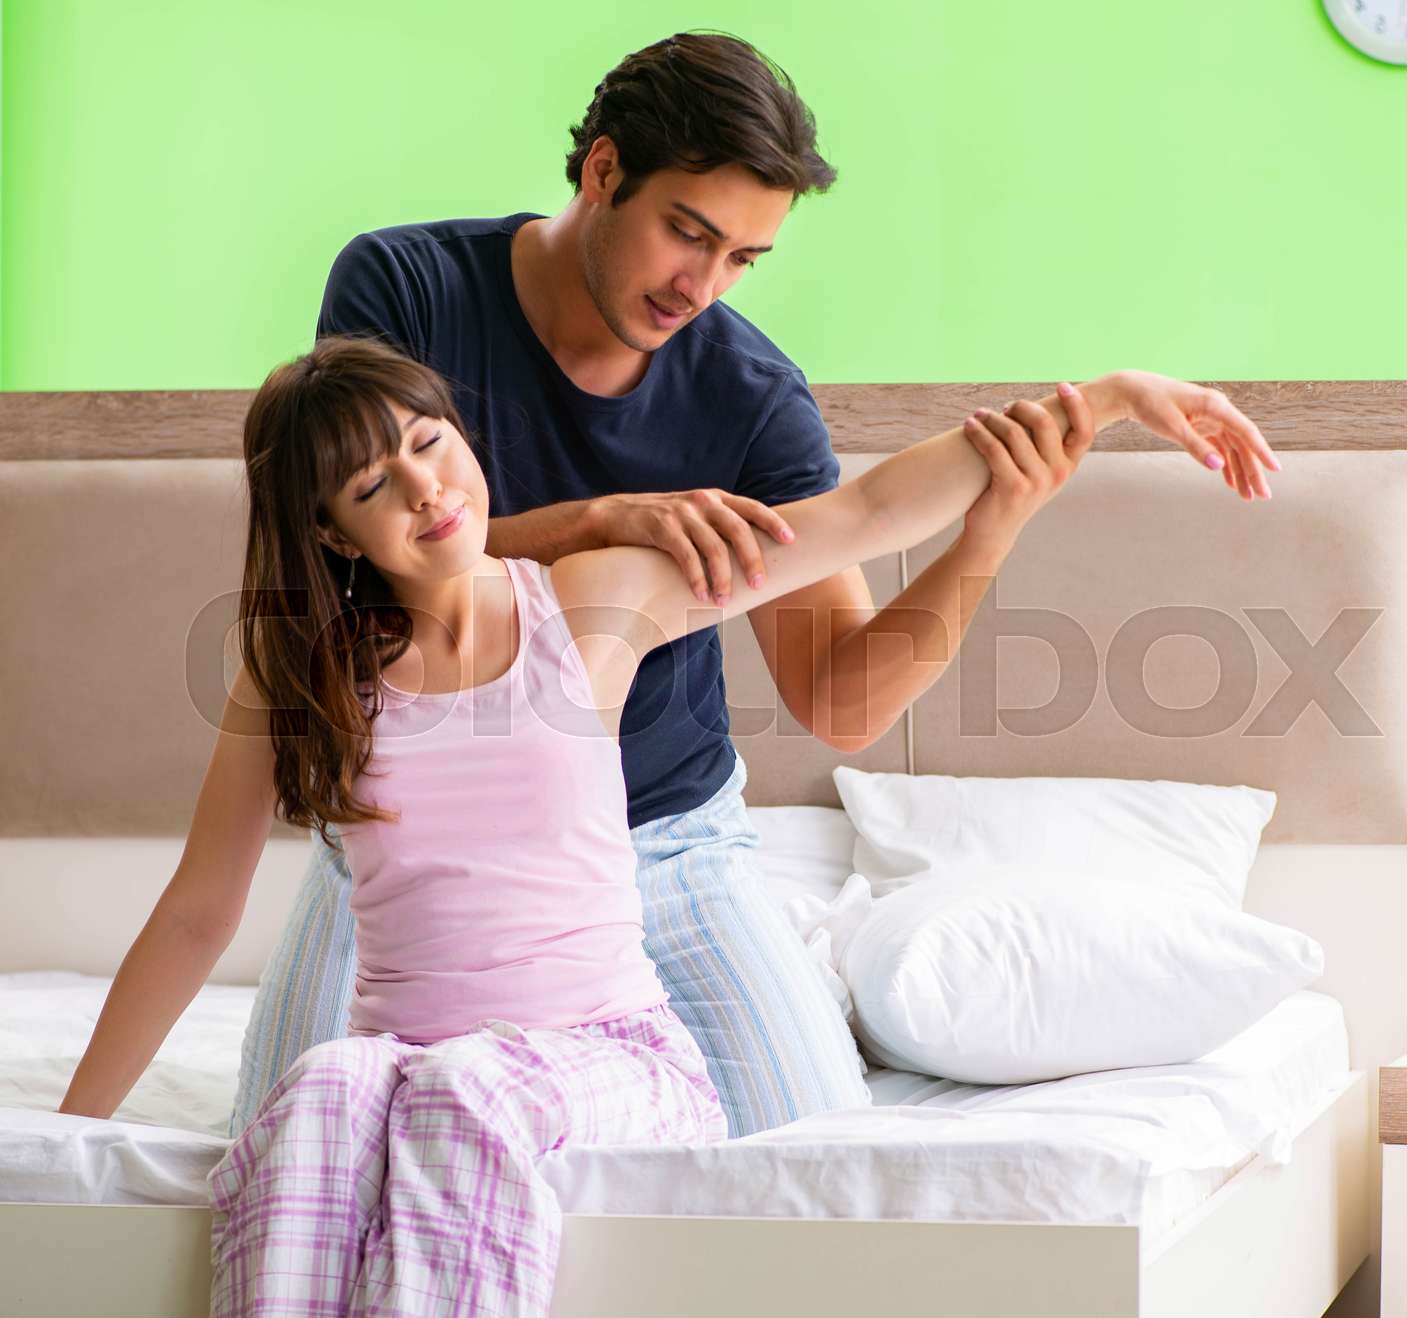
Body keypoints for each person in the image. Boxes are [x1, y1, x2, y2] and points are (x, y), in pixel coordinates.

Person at [233, 29, 1282, 1142]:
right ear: (601, 172)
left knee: (819, 1165)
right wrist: (602, 521)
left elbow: (841, 697)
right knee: (281, 1140)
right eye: (687, 232)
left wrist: (993, 527)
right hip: (412, 835)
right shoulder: (405, 290)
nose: (703, 284)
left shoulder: (754, 400)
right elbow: (357, 581)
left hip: (666, 839)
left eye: (742, 257)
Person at [59, 331, 1107, 1314]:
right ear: (331, 529)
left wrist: (1101, 408)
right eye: (374, 483)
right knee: (321, 1086)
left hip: (614, 1056)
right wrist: (65, 1137)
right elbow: (199, 911)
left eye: (430, 441)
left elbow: (863, 513)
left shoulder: (586, 606)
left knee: (465, 1090)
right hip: (407, 1061)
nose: (426, 486)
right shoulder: (302, 676)